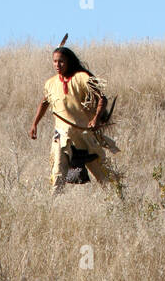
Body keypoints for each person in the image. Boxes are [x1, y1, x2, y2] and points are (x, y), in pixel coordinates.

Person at [30, 45, 119, 195]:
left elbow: (101, 98)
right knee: (57, 174)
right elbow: (44, 102)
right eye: (55, 62)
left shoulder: (81, 78)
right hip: (62, 136)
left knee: (105, 178)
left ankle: (119, 202)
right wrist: (34, 124)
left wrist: (96, 119)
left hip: (85, 136)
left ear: (69, 61)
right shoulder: (50, 83)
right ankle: (52, 206)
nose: (57, 65)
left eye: (61, 61)